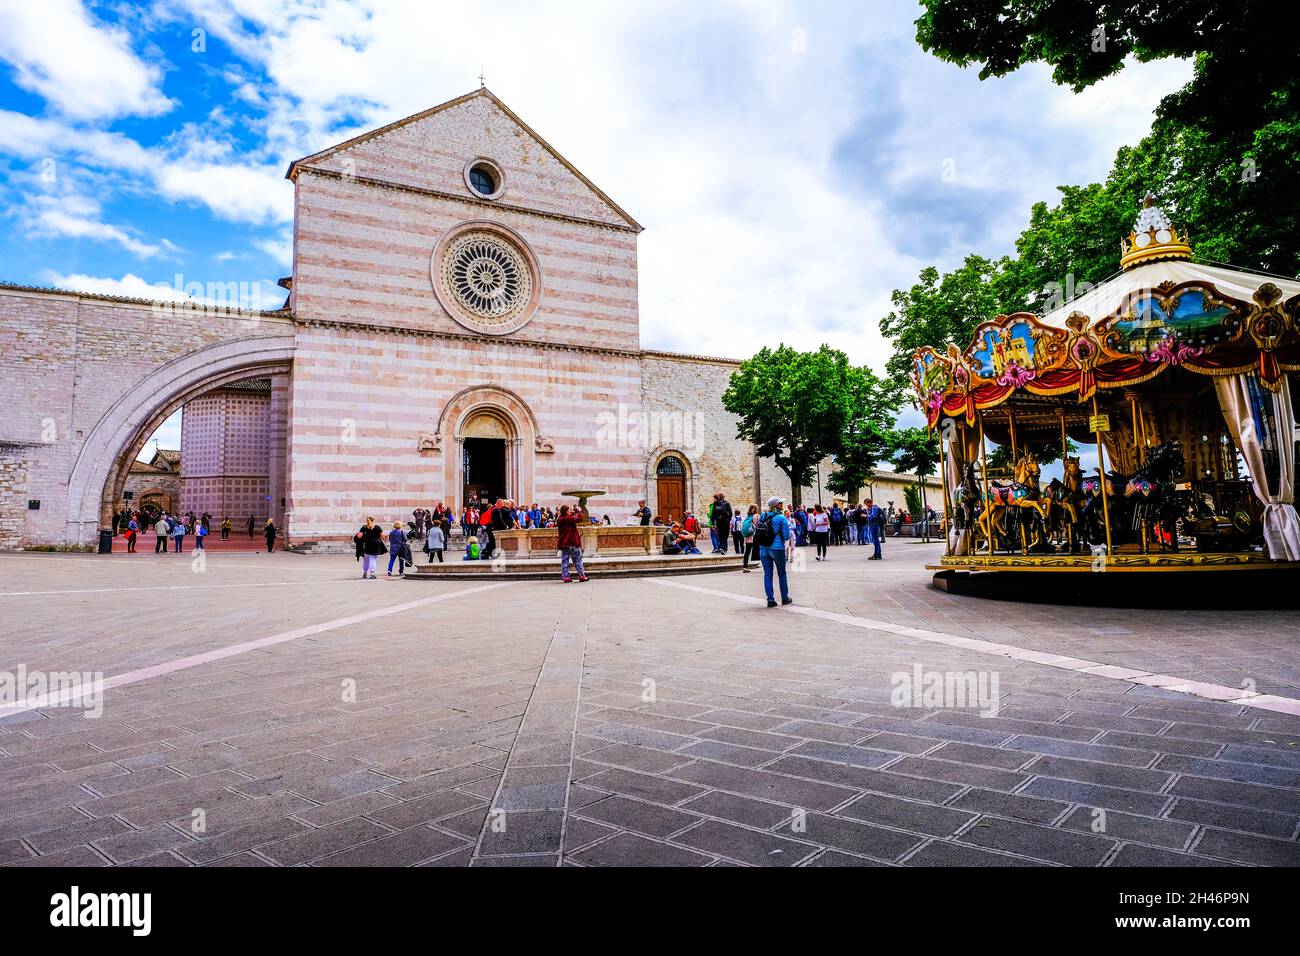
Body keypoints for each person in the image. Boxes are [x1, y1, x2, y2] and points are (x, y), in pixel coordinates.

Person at [755, 496, 793, 608]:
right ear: (777, 505)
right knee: (782, 573)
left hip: (763, 548)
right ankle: (785, 597)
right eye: (781, 503)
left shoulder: (763, 515)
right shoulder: (781, 518)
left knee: (767, 574)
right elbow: (786, 536)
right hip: (777, 548)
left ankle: (770, 599)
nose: (782, 504)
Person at [556, 504, 588, 583]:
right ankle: (581, 576)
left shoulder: (560, 519)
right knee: (577, 559)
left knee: (565, 560)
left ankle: (566, 576)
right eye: (569, 510)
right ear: (566, 511)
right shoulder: (569, 518)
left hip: (564, 543)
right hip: (572, 541)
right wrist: (579, 510)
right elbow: (580, 519)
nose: (570, 511)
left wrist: (573, 513)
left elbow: (569, 517)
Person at [740, 504, 758, 573]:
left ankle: (745, 567)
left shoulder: (748, 517)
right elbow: (759, 525)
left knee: (747, 552)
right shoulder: (756, 516)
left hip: (747, 537)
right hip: (754, 536)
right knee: (763, 550)